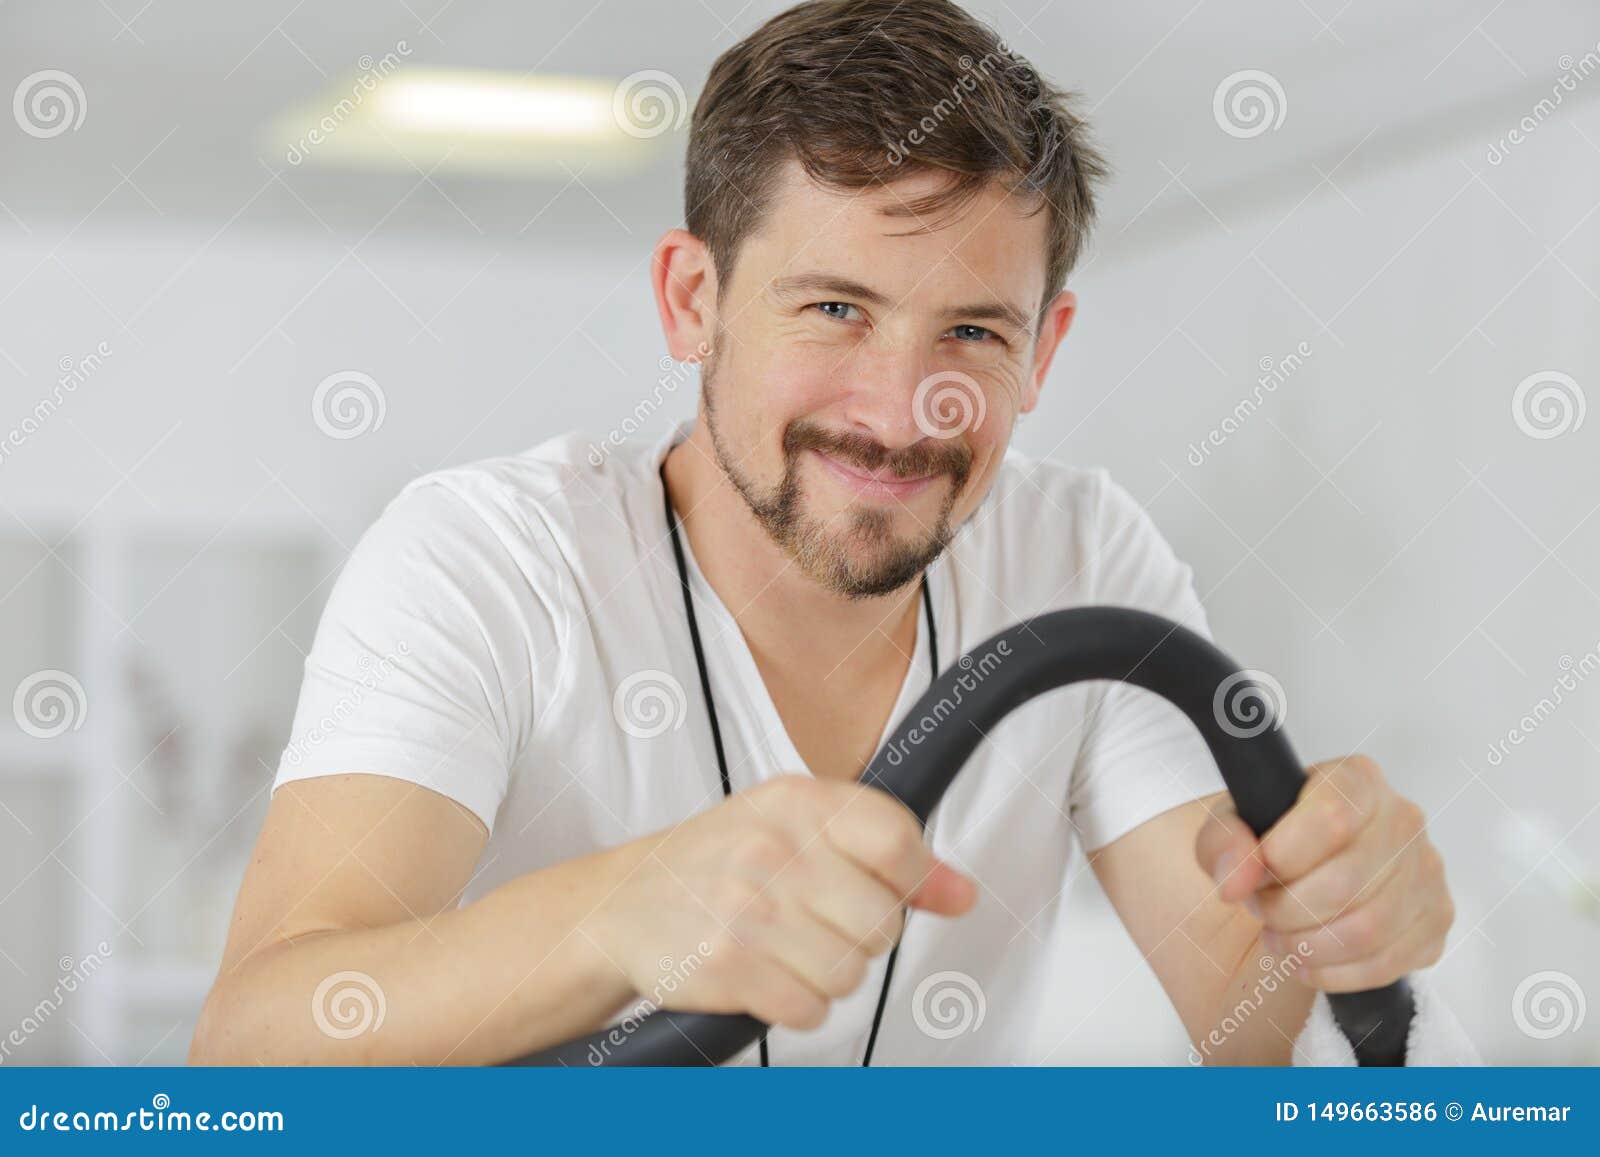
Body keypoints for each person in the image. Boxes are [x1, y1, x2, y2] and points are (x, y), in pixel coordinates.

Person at [190, 0, 1459, 1066]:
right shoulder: (486, 559)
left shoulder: (1083, 557)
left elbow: (1244, 1024)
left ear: (1044, 349)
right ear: (696, 300)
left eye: (972, 330)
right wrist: (616, 913)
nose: (902, 413)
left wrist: (1332, 931)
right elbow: (249, 1042)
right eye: (836, 307)